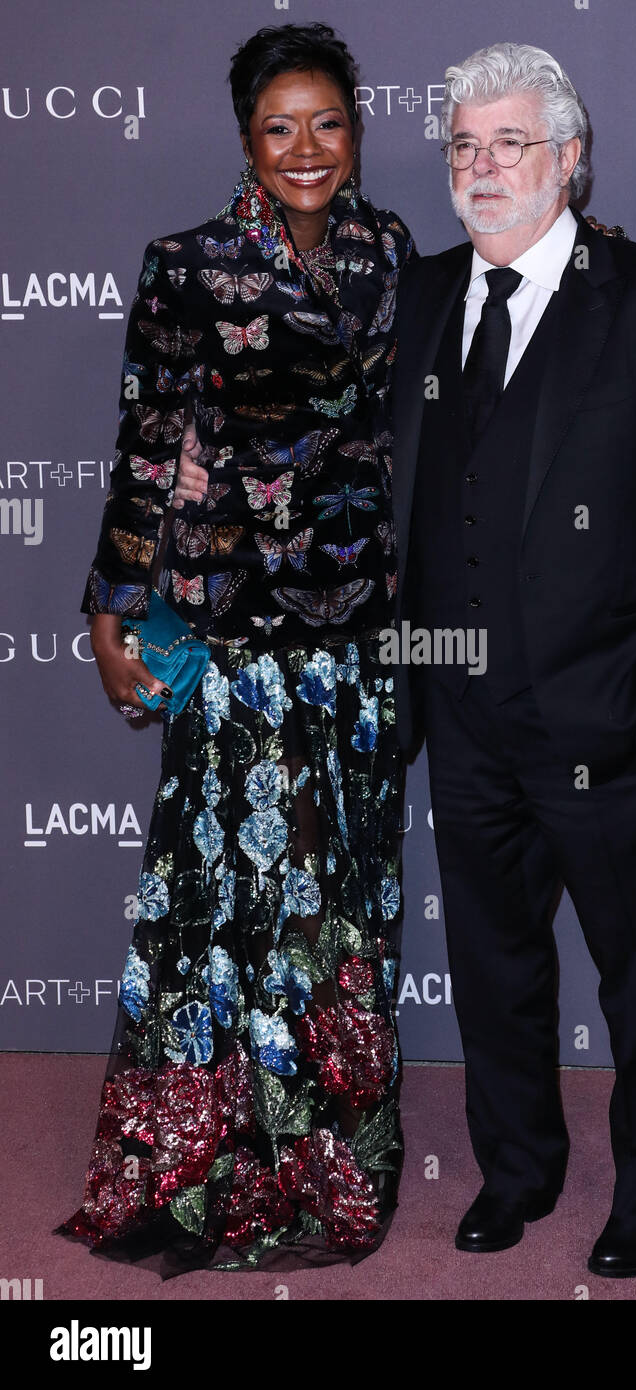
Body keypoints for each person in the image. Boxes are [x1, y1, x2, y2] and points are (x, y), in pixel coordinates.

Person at [54, 22, 414, 1279]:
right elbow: (148, 445)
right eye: (280, 127)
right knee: (244, 897)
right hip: (239, 631)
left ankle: (333, 1148)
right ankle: (229, 1153)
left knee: (342, 897)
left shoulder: (390, 253)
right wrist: (110, 605)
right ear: (245, 140)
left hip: (358, 640)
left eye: (327, 124)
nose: (306, 149)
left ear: (355, 132)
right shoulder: (188, 265)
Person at [387, 42, 636, 1277]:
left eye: (510, 145)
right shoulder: (422, 297)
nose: (483, 169)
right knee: (494, 968)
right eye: (463, 148)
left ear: (570, 159)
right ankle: (518, 1172)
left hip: (616, 718)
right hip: (465, 717)